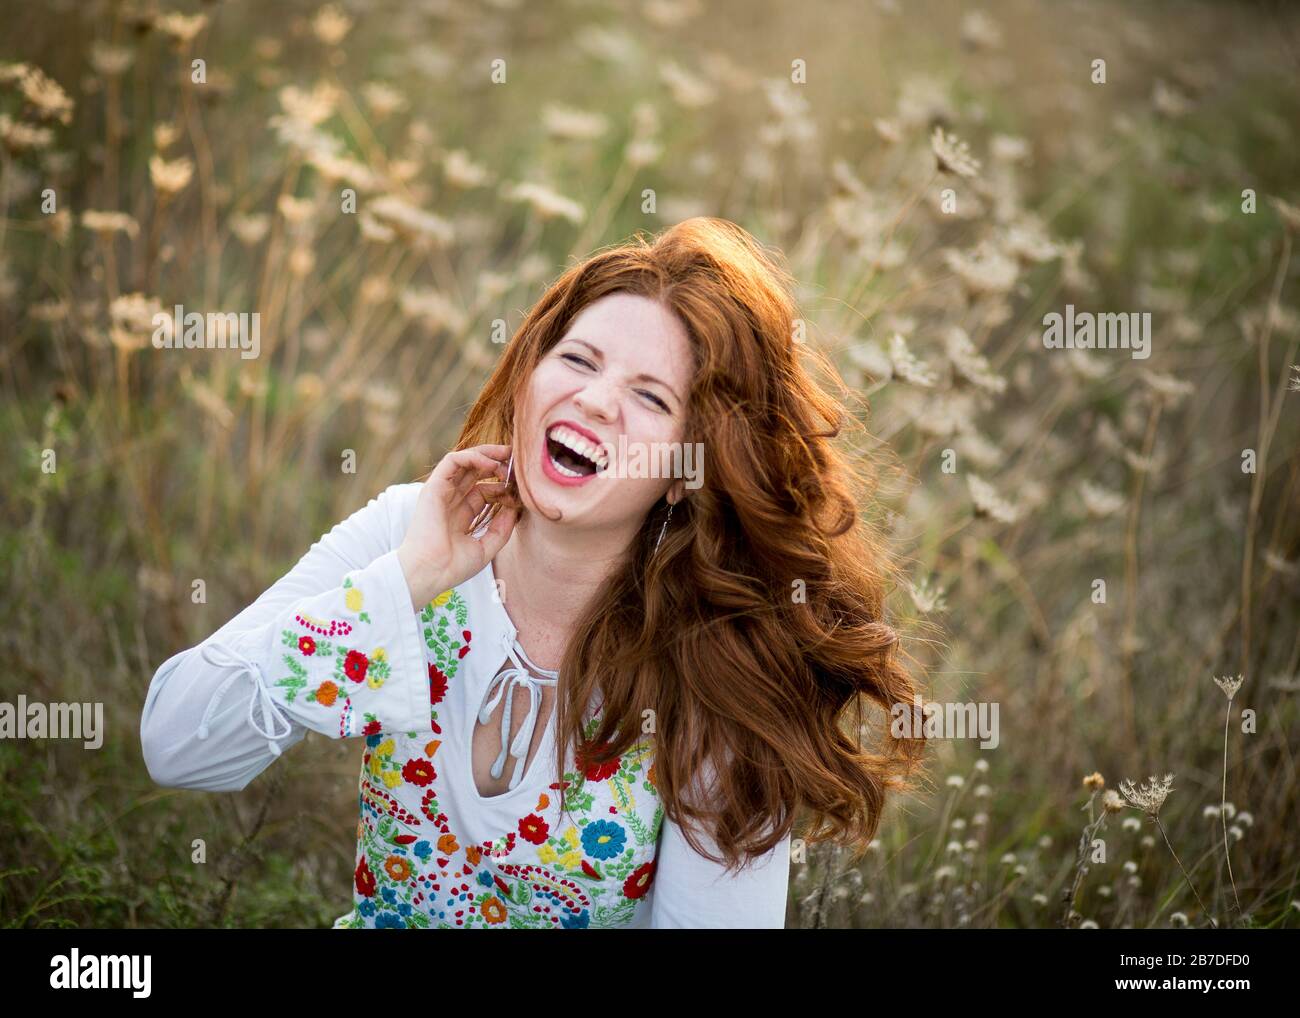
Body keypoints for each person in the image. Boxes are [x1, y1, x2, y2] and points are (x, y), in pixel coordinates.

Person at [140, 217, 925, 928]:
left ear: (691, 467)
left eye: (650, 398)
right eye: (577, 359)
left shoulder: (715, 659)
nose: (594, 400)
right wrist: (409, 579)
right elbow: (177, 745)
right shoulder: (404, 537)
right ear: (527, 377)